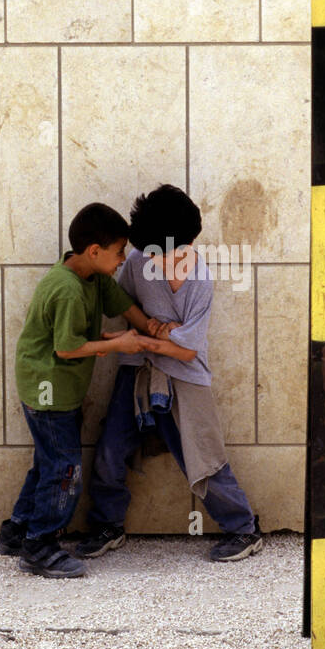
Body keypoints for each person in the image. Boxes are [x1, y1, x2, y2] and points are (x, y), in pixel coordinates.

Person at [77, 184, 262, 563]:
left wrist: (147, 340)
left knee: (201, 453)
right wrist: (146, 328)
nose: (147, 259)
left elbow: (188, 349)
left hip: (186, 377)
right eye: (145, 253)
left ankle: (243, 529)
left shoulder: (200, 281)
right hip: (136, 372)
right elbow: (122, 304)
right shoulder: (139, 260)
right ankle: (106, 524)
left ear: (183, 247)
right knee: (111, 449)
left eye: (157, 254)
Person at [0, 203, 163, 578]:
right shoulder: (69, 290)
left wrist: (150, 328)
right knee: (65, 472)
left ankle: (18, 530)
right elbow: (66, 348)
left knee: (48, 462)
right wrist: (117, 345)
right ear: (94, 251)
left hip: (56, 390)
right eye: (120, 251)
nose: (124, 259)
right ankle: (40, 546)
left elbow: (124, 306)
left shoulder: (93, 276)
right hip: (49, 393)